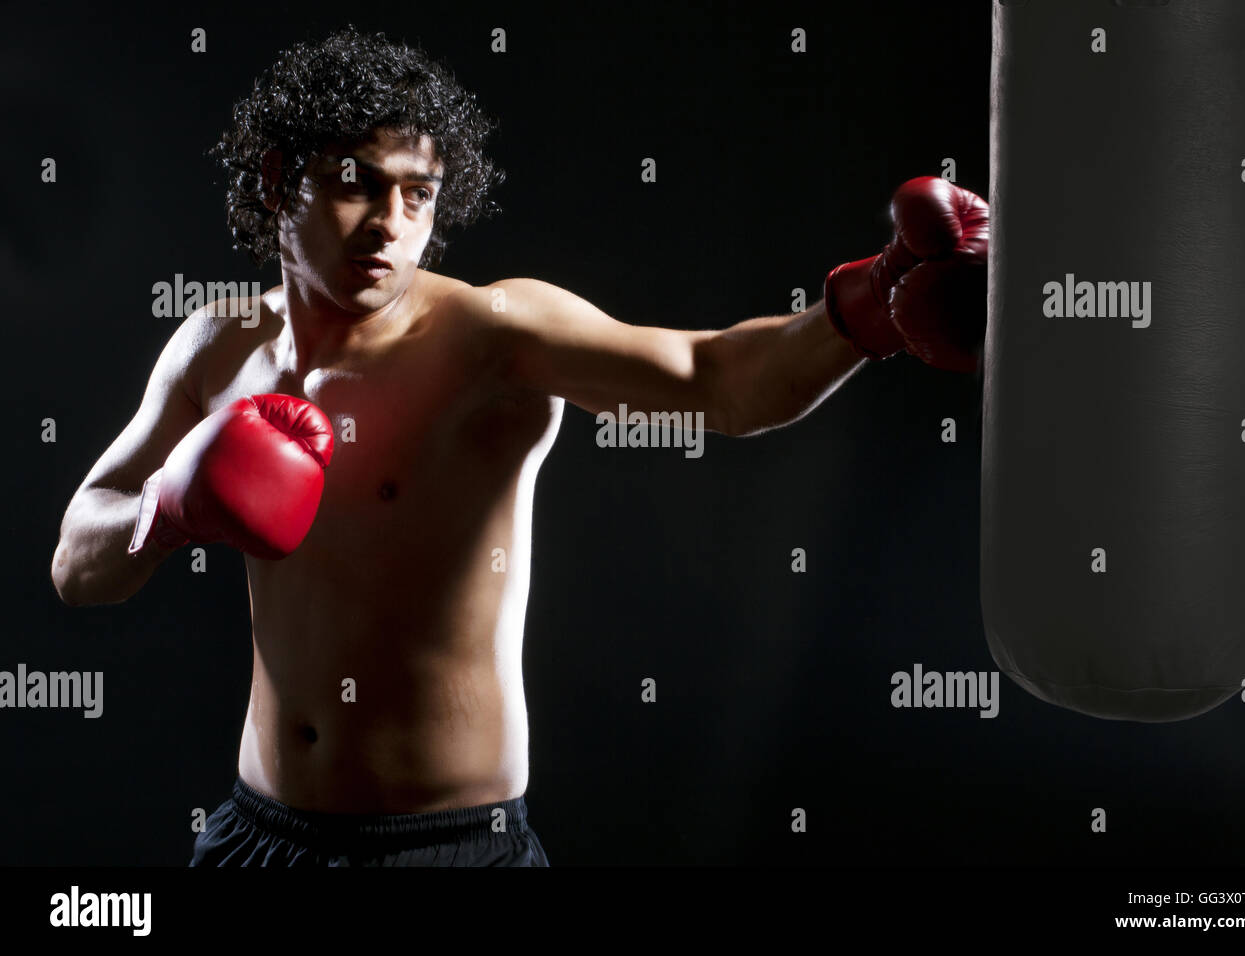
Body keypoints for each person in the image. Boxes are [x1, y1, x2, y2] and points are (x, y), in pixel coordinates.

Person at [49, 26, 987, 866]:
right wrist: (166, 512)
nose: (389, 225)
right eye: (354, 185)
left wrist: (867, 310)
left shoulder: (493, 337)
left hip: (449, 847)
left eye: (418, 194)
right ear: (274, 179)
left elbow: (718, 383)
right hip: (261, 834)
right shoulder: (218, 347)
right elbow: (75, 563)